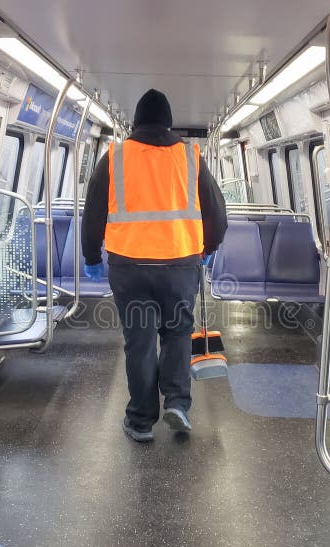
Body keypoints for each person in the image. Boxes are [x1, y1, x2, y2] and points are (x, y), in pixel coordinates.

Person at [82, 89, 228, 442]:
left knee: (140, 341)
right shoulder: (190, 157)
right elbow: (216, 212)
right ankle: (177, 402)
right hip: (180, 263)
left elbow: (93, 212)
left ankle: (141, 420)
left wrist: (91, 257)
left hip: (129, 267)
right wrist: (208, 248)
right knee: (177, 334)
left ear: (135, 122)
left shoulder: (114, 157)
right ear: (168, 123)